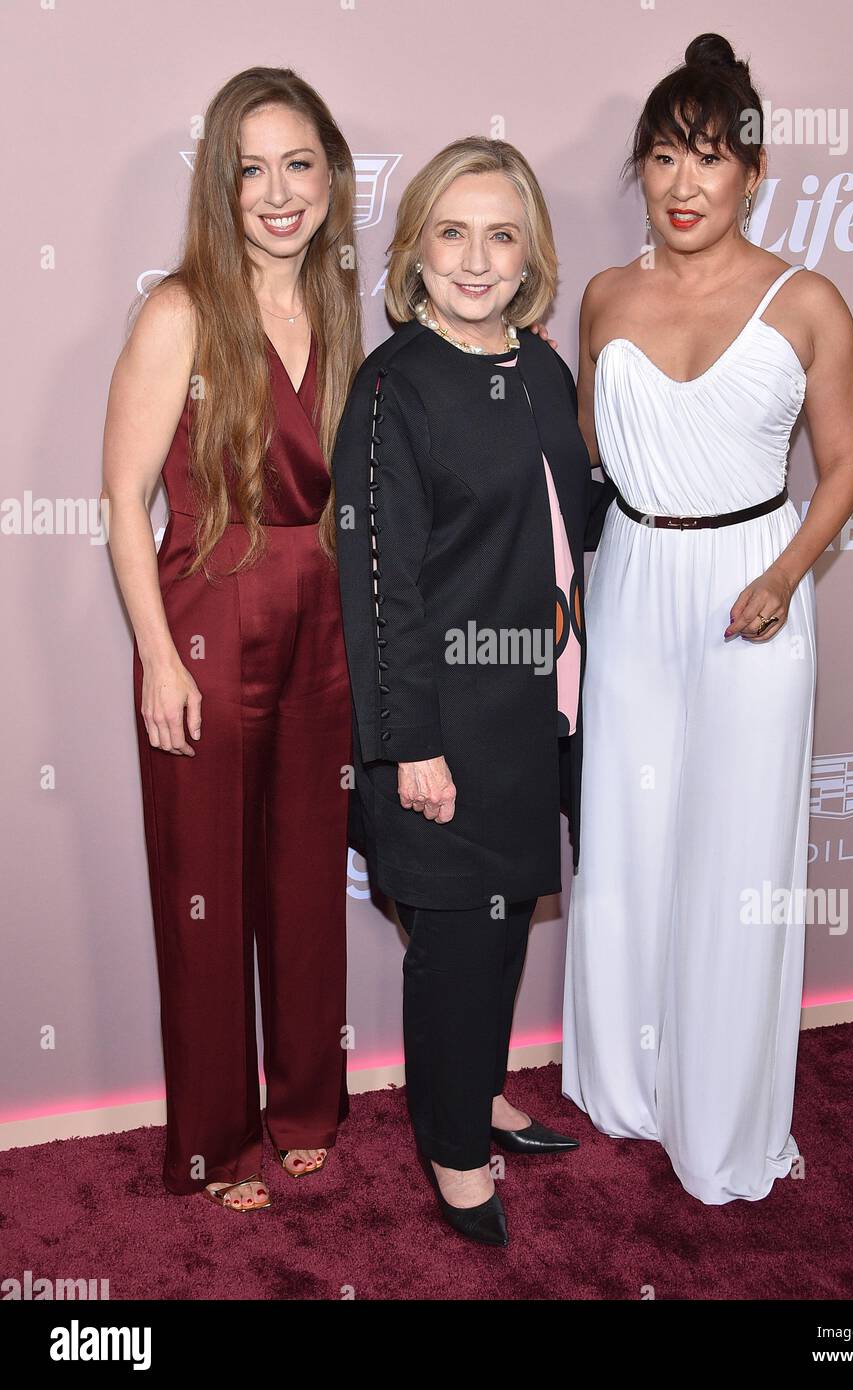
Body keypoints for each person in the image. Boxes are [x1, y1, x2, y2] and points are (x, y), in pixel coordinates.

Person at [561, 33, 853, 1204]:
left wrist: (788, 573)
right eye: (661, 159)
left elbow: (843, 466)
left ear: (752, 169)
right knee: (630, 846)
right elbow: (583, 457)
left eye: (710, 158)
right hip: (633, 581)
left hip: (754, 589)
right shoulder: (603, 296)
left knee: (736, 855)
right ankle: (629, 1086)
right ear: (639, 173)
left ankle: (722, 1114)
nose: (684, 184)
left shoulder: (808, 300)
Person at [333, 137, 606, 1246]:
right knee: (453, 940)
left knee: (503, 928)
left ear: (531, 250)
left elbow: (568, 526)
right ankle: (452, 1149)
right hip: (445, 718)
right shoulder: (394, 386)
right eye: (452, 232)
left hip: (535, 708)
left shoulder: (540, 368)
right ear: (413, 249)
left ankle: (480, 1090)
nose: (477, 259)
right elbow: (379, 581)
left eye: (501, 235)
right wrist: (409, 746)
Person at [102, 68, 361, 1211]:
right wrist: (158, 655)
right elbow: (122, 502)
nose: (276, 190)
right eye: (250, 167)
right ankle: (213, 1139)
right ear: (220, 184)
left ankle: (304, 1102)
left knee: (307, 878)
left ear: (330, 175)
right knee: (205, 888)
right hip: (206, 613)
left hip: (326, 619)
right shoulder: (179, 310)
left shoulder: (352, 310)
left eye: (297, 162)